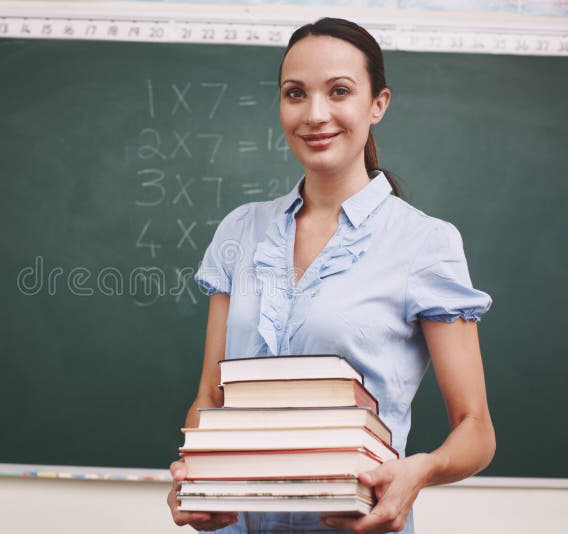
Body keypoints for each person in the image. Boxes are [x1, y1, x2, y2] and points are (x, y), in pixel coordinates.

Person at [166, 17, 496, 534]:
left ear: (378, 104)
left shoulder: (425, 244)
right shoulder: (241, 230)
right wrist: (193, 479)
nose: (315, 114)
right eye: (295, 93)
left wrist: (421, 471)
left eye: (339, 91)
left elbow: (476, 430)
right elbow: (211, 396)